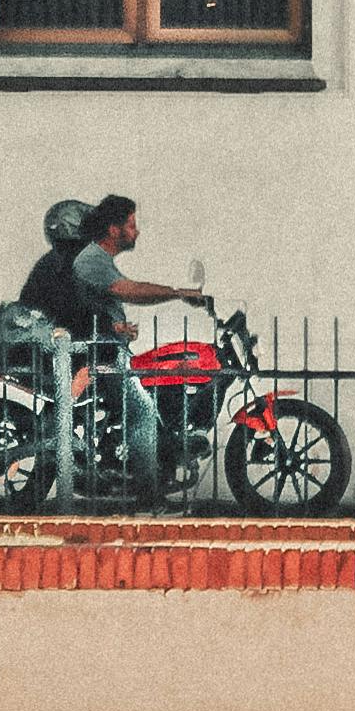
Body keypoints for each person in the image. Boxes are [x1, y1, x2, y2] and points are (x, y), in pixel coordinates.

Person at [70, 193, 206, 502]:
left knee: (150, 399)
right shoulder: (91, 259)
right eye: (131, 224)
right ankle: (150, 495)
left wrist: (116, 327)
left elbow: (99, 304)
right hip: (100, 353)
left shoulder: (99, 261)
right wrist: (177, 293)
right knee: (142, 411)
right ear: (113, 229)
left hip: (108, 346)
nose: (137, 231)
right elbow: (128, 291)